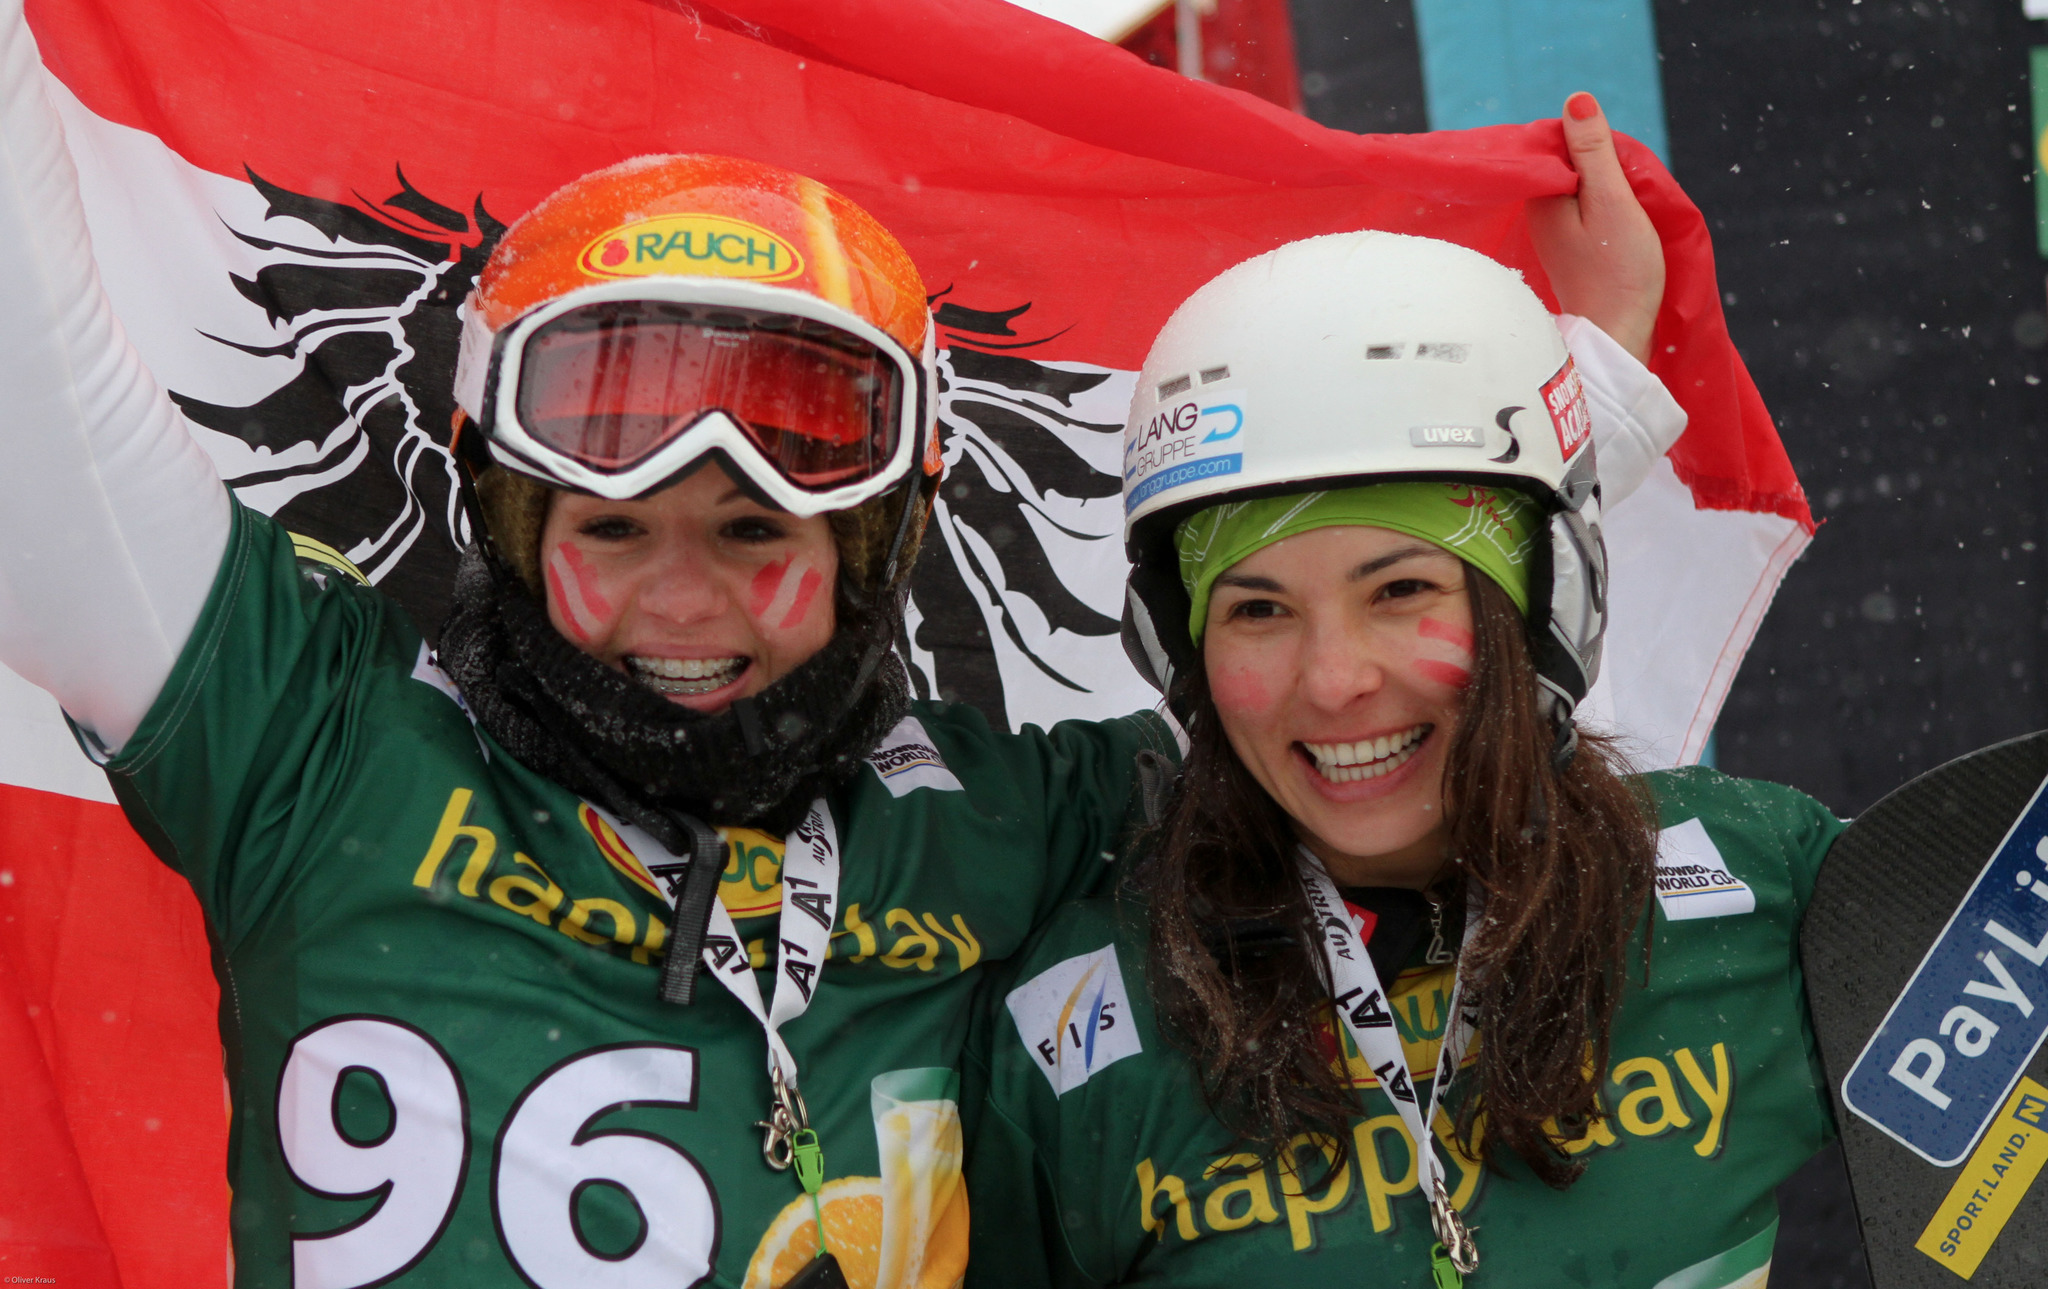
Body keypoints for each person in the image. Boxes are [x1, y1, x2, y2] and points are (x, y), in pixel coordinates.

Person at [0, 0, 1682, 1275]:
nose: (685, 602)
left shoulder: (1002, 820)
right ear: (499, 512)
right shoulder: (309, 742)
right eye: (611, 531)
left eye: (756, 535)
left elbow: (1345, 691)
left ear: (884, 541)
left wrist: (1570, 399)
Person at [964, 103, 1840, 1289]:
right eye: (1258, 608)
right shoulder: (1072, 1039)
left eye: (1400, 590)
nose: (1332, 681)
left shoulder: (1762, 890)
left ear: (1546, 604)